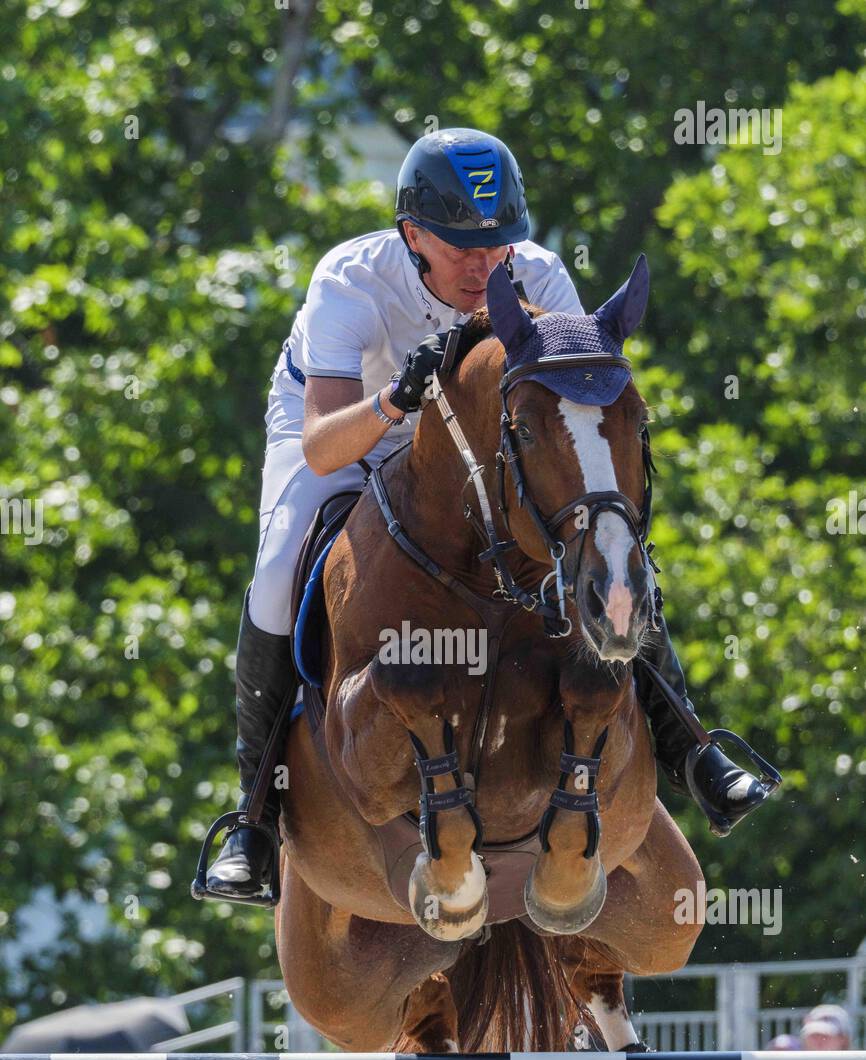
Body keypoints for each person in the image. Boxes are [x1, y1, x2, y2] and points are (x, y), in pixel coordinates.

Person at [198, 126, 777, 905]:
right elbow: (325, 445)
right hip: (358, 430)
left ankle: (693, 750)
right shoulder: (352, 281)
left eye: (497, 243)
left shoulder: (536, 272)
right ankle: (255, 818)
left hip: (480, 450)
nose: (484, 265)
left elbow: (580, 401)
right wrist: (398, 399)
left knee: (601, 545)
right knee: (276, 572)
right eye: (462, 247)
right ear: (412, 235)